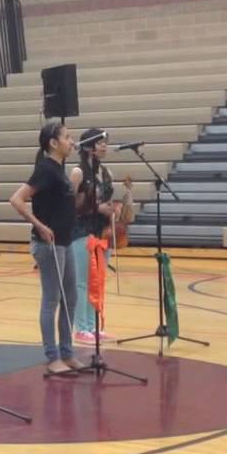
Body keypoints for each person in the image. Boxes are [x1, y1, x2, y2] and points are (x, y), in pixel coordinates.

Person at [9, 120, 87, 375]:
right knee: (51, 299)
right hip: (49, 244)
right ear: (53, 143)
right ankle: (52, 355)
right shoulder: (45, 169)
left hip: (65, 241)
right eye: (67, 137)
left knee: (71, 297)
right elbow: (17, 199)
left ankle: (67, 352)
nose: (72, 141)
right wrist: (40, 225)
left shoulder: (60, 169)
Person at [70, 128, 134, 344]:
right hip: (82, 232)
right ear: (89, 147)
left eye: (105, 142)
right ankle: (81, 328)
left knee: (97, 282)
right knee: (82, 282)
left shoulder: (107, 172)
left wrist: (113, 209)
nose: (105, 146)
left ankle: (94, 326)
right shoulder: (77, 173)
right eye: (100, 143)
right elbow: (71, 206)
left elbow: (106, 199)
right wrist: (97, 208)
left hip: (103, 232)